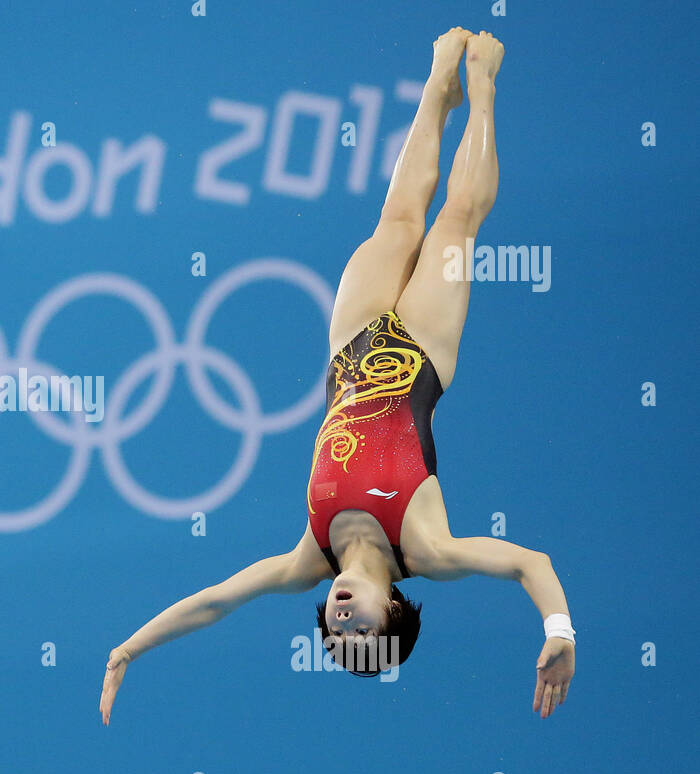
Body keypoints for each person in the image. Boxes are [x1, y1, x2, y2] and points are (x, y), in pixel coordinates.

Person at [100, 29, 576, 723]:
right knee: (455, 224)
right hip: (421, 355)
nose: (346, 619)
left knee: (397, 216)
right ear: (394, 610)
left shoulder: (307, 557)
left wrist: (127, 648)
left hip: (350, 346)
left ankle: (438, 76)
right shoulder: (429, 549)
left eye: (336, 631)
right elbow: (531, 562)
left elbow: (215, 600)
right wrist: (558, 632)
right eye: (368, 631)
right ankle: (482, 84)